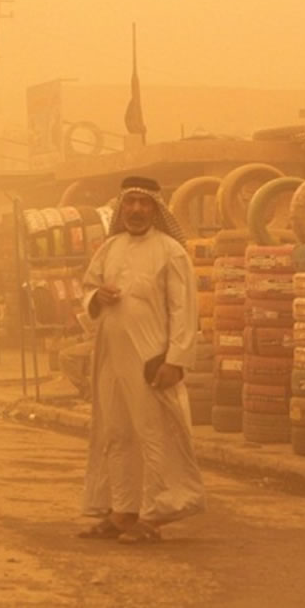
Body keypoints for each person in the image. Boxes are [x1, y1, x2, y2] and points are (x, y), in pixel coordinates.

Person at [77, 176, 205, 544]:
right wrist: (97, 298)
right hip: (111, 360)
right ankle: (122, 511)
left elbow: (184, 311)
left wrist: (175, 359)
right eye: (130, 203)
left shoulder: (170, 252)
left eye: (143, 204)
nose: (136, 210)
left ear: (155, 209)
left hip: (152, 361)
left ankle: (154, 514)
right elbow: (88, 290)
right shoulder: (110, 247)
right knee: (116, 433)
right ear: (122, 208)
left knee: (154, 435)